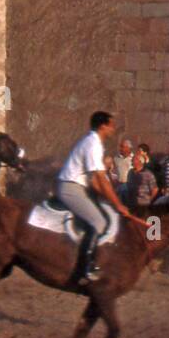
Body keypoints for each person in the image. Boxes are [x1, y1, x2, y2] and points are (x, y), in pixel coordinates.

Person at [55, 111, 131, 284]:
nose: (113, 129)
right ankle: (85, 268)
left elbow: (96, 183)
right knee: (99, 222)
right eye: (111, 125)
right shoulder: (93, 143)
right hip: (70, 187)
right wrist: (118, 204)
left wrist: (109, 200)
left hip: (78, 186)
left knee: (104, 212)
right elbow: (101, 180)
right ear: (103, 126)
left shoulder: (94, 142)